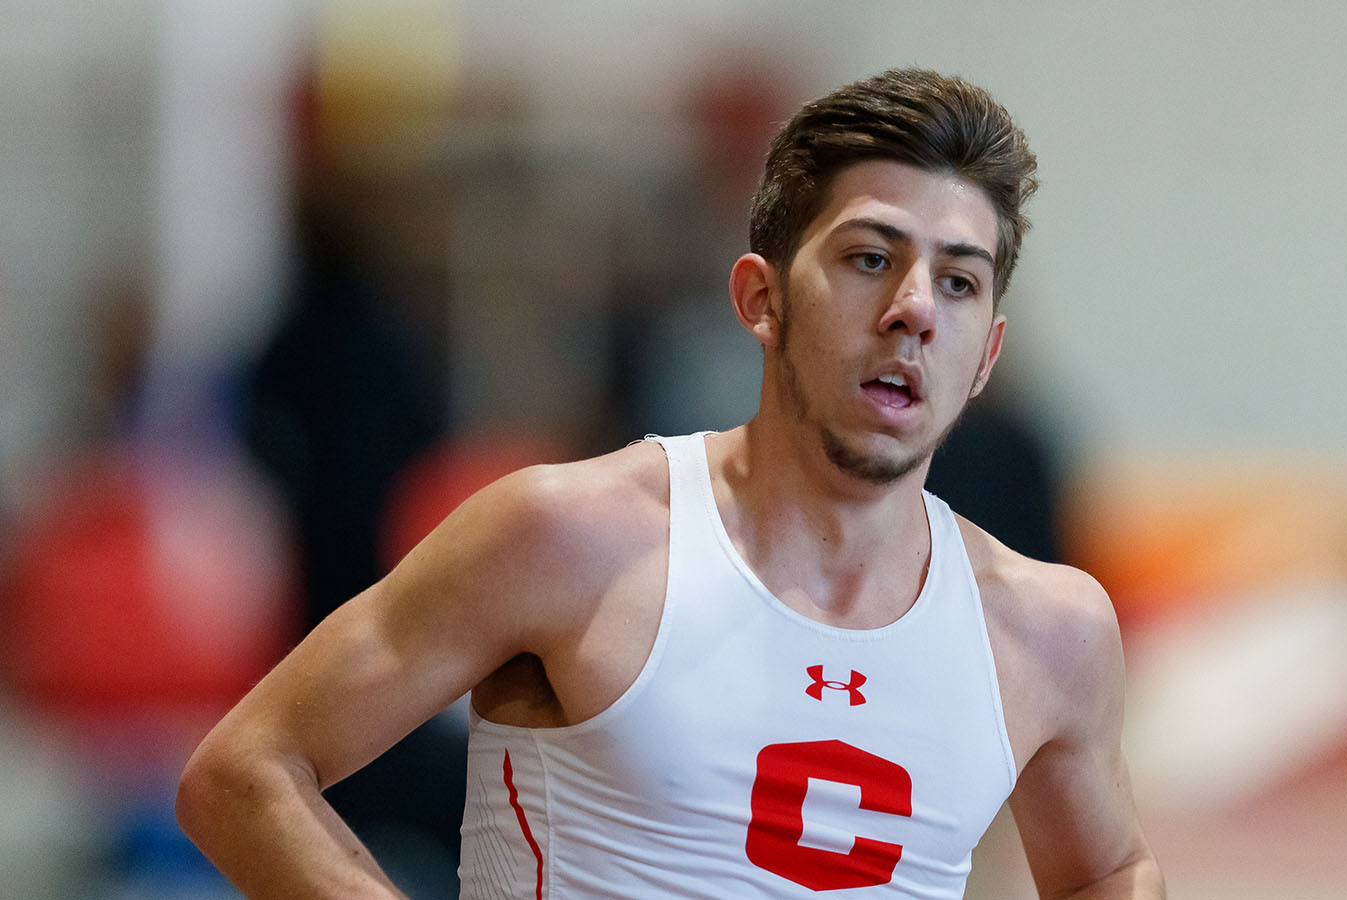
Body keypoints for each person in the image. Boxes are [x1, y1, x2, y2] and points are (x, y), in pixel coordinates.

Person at [176, 67, 1165, 899]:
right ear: (761, 298)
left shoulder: (1048, 630)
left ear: (986, 354)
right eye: (871, 259)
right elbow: (244, 772)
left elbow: (1109, 869)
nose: (914, 309)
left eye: (958, 280)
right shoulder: (567, 535)